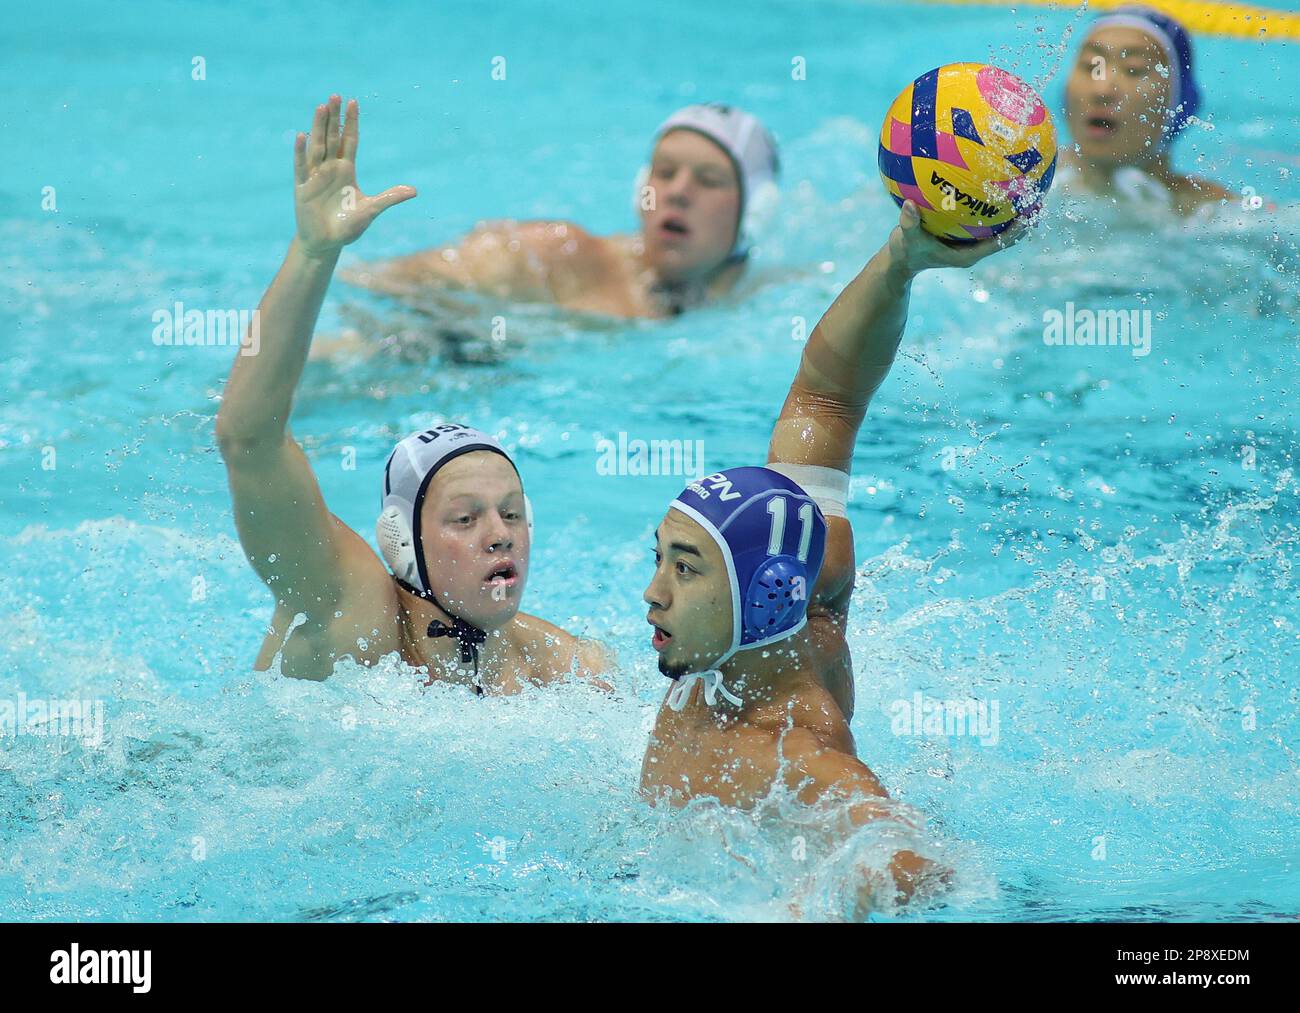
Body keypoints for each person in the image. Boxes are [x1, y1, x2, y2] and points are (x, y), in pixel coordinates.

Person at [639, 199, 1022, 911]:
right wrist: (900, 261)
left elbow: (925, 863)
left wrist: (834, 894)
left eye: (685, 568)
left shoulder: (795, 752)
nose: (653, 593)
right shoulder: (785, 593)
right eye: (659, 559)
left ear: (765, 595)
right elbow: (826, 397)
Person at [216, 94, 609, 691]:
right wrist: (313, 253)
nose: (499, 534)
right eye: (464, 517)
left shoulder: (565, 667)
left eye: (510, 513)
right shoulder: (353, 613)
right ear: (403, 543)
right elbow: (248, 439)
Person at [341, 103, 780, 320]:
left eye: (709, 180)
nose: (678, 193)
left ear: (755, 210)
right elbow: (374, 280)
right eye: (664, 173)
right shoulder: (559, 254)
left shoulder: (766, 300)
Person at [1061, 5, 1231, 215]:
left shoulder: (1215, 214)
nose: (1102, 89)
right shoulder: (1019, 180)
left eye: (1133, 69)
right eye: (1090, 66)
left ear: (1178, 103)